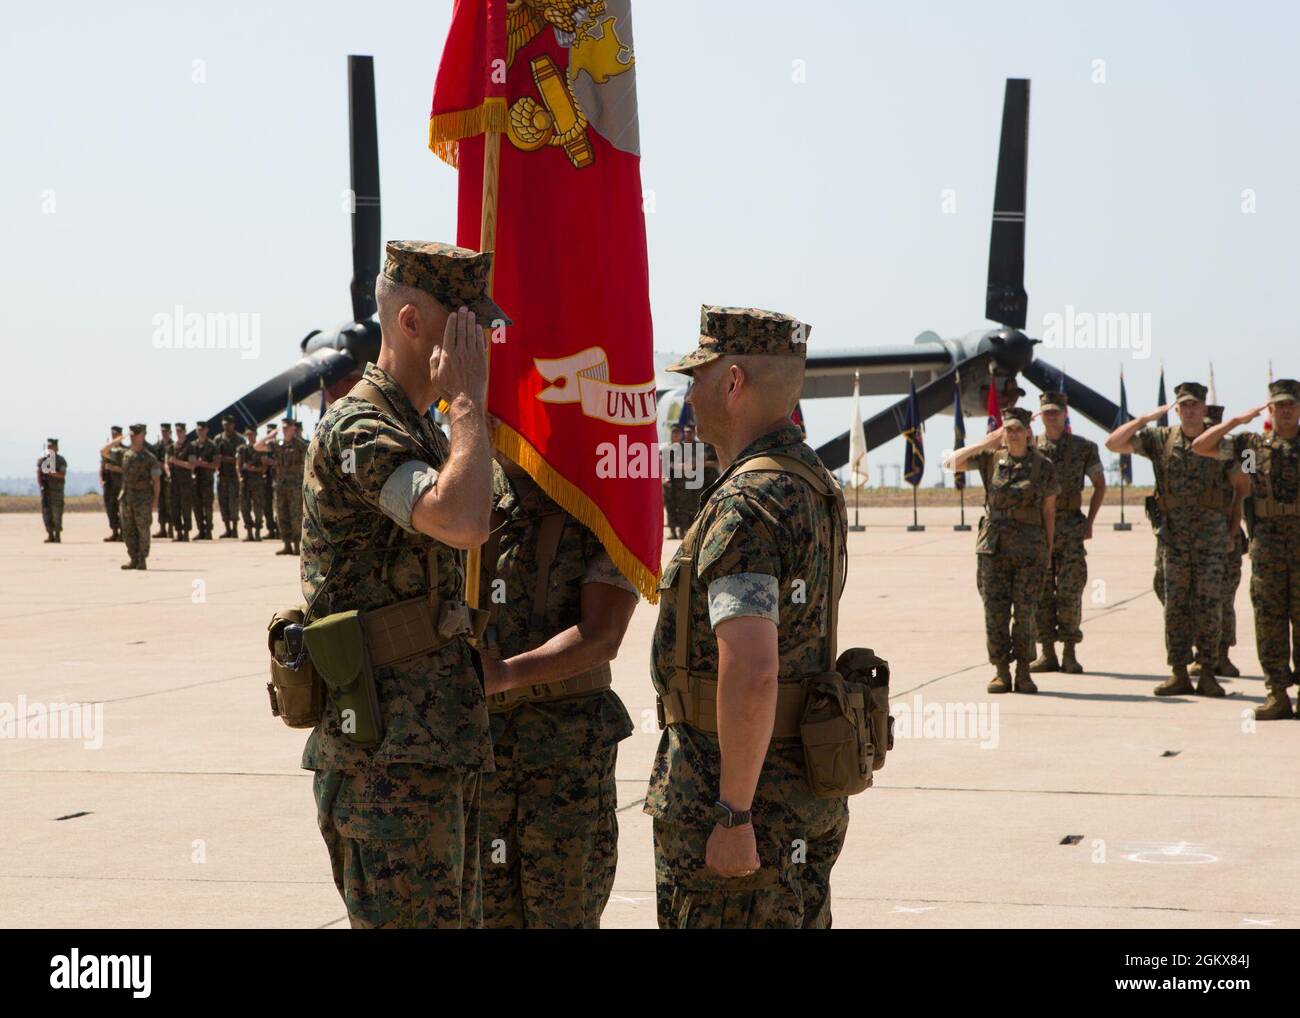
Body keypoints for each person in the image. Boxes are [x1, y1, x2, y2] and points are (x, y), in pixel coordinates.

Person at [303, 240, 504, 928]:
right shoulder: (360, 426)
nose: (483, 343)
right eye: (468, 327)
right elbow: (462, 519)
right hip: (384, 761)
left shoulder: (423, 429)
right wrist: (468, 405)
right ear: (414, 322)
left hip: (437, 742)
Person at [647, 305, 850, 929]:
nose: (689, 392)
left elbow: (754, 669)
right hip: (803, 781)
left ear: (732, 383)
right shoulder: (811, 482)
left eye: (697, 377)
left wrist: (733, 814)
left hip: (741, 790)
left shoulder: (747, 504)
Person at [475, 454, 638, 928]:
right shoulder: (466, 491)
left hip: (566, 757)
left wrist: (506, 674)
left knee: (564, 914)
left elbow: (603, 634)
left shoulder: (599, 499)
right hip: (483, 752)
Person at [1107, 382, 1241, 697]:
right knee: (1175, 607)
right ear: (1177, 409)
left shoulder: (1229, 442)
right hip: (1174, 539)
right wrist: (1142, 420)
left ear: (1205, 409)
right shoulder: (1160, 440)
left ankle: (1208, 671)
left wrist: (1234, 531)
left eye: (1196, 405)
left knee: (1210, 604)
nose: (1190, 410)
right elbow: (1113, 443)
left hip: (1212, 538)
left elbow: (1245, 486)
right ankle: (1178, 672)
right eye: (1184, 406)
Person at [1193, 380, 1300, 719]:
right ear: (1269, 409)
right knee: (1269, 622)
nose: (1284, 410)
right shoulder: (1254, 450)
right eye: (1278, 405)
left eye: (1291, 404)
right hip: (1267, 547)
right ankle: (1277, 694)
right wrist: (1237, 421)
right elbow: (1201, 446)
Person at [950, 407, 1058, 694]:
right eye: (1008, 429)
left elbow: (1049, 510)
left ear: (1027, 433)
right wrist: (986, 442)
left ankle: (1024, 671)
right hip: (993, 548)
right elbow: (951, 463)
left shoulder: (1042, 465)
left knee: (1025, 613)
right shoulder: (991, 459)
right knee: (994, 612)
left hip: (1030, 549)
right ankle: (1001, 671)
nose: (1012, 434)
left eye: (1017, 429)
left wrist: (1048, 550)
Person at [1030, 392, 1106, 674]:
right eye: (1046, 412)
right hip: (1037, 530)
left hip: (1072, 528)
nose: (1052, 417)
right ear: (1040, 415)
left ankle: (1070, 652)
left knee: (1070, 591)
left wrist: (1090, 521)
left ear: (1065, 414)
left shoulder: (1084, 447)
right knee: (1040, 592)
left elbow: (1100, 484)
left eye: (1056, 412)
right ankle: (1047, 652)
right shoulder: (1030, 447)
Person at [256, 418, 308, 554]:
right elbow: (257, 447)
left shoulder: (300, 445)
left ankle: (297, 546)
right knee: (281, 515)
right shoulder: (277, 444)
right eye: (283, 427)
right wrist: (269, 436)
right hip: (280, 486)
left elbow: (309, 461)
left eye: (287, 427)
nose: (285, 430)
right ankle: (287, 545)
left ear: (293, 428)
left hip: (295, 486)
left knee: (296, 515)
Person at [118, 424, 161, 570]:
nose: (132, 436)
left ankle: (142, 558)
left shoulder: (150, 458)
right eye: (131, 434)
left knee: (143, 530)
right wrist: (117, 440)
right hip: (126, 497)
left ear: (143, 435)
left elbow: (156, 481)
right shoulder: (124, 454)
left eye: (136, 433)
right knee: (127, 529)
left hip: (143, 498)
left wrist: (155, 501)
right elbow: (103, 452)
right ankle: (133, 558)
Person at [213, 414, 246, 539]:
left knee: (233, 502)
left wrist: (225, 459)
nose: (226, 426)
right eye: (224, 424)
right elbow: (215, 457)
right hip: (222, 476)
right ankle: (227, 529)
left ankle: (235, 529)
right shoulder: (218, 439)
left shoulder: (240, 440)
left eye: (229, 424)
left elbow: (240, 459)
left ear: (233, 425)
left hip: (233, 476)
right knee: (223, 503)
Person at [236, 426, 267, 541]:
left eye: (252, 434)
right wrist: (240, 477)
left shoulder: (261, 448)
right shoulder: (242, 449)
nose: (250, 436)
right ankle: (249, 532)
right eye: (248, 434)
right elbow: (238, 465)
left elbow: (264, 468)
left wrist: (252, 469)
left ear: (255, 435)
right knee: (244, 507)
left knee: (258, 507)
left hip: (257, 482)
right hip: (245, 482)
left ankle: (258, 531)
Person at [191, 421, 218, 540]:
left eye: (202, 429)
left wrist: (203, 464)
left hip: (207, 481)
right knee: (197, 506)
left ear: (206, 430)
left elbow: (216, 465)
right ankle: (200, 530)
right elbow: (190, 462)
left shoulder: (212, 446)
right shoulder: (192, 446)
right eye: (198, 430)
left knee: (207, 506)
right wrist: (194, 464)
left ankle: (208, 531)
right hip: (195, 481)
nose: (200, 432)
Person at [167, 422, 194, 542]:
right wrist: (168, 472)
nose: (178, 433)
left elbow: (191, 465)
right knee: (175, 508)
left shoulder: (190, 446)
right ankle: (178, 532)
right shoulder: (171, 447)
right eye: (177, 431)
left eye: (180, 430)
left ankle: (186, 532)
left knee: (186, 507)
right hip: (174, 482)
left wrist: (177, 462)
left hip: (185, 482)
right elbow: (167, 462)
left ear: (184, 431)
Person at [38, 438, 67, 543]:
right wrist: (41, 484)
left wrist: (50, 472)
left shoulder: (60, 460)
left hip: (57, 492)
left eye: (52, 447)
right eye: (48, 447)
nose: (49, 448)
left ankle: (57, 535)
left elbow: (62, 475)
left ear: (57, 448)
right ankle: (50, 534)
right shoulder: (42, 460)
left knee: (57, 514)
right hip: (46, 491)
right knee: (46, 513)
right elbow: (39, 474)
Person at [100, 426, 125, 541]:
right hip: (109, 484)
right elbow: (102, 465)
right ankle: (114, 531)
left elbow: (127, 469)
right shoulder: (108, 451)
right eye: (113, 434)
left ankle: (123, 533)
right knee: (110, 509)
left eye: (116, 434)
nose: (114, 436)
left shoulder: (124, 451)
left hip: (119, 484)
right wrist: (101, 478)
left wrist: (114, 468)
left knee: (121, 509)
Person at [153, 423, 173, 539]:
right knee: (161, 503)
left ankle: (171, 528)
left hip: (170, 479)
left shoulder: (173, 445)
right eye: (162, 431)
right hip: (159, 479)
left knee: (170, 503)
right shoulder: (157, 446)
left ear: (170, 432)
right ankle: (162, 529)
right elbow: (153, 463)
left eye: (166, 431)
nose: (164, 433)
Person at [262, 423, 280, 539]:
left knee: (278, 506)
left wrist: (271, 462)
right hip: (266, 479)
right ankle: (270, 530)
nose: (270, 434)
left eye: (271, 432)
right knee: (267, 506)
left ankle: (279, 530)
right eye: (268, 432)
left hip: (278, 479)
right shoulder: (265, 447)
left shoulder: (280, 446)